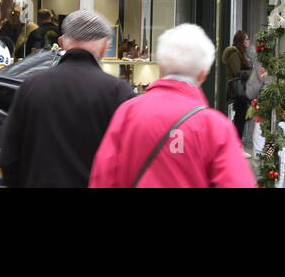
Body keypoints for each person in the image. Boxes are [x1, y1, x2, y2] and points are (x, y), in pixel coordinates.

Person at [89, 24, 256, 188]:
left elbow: (102, 177)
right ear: (203, 73)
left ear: (161, 67)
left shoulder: (127, 113)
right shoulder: (214, 126)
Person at [0, 9, 133, 187]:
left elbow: (9, 156)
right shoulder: (118, 91)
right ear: (104, 46)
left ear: (62, 42)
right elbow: (130, 159)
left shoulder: (31, 86)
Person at [222, 30, 252, 140]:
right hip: (238, 90)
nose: (248, 41)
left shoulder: (243, 53)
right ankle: (236, 143)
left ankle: (236, 143)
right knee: (240, 116)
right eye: (246, 39)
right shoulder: (234, 54)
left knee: (242, 116)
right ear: (241, 41)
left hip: (242, 90)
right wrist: (251, 73)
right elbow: (237, 73)